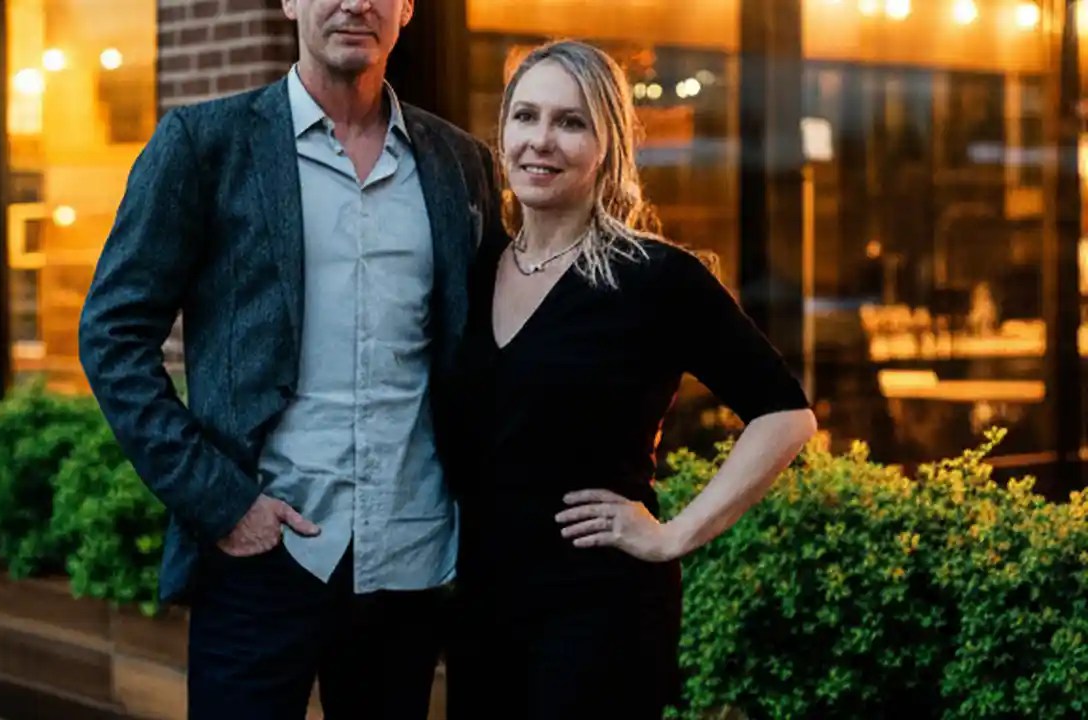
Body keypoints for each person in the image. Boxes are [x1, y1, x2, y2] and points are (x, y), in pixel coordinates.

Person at [78, 0, 502, 717]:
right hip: (262, 558)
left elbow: (488, 352)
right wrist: (222, 501)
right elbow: (112, 335)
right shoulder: (203, 144)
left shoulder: (459, 164)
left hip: (409, 555)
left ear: (407, 8)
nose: (354, 4)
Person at [443, 40, 818, 719]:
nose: (541, 141)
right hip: (482, 608)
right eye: (525, 116)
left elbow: (785, 415)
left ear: (608, 144)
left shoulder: (653, 278)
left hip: (601, 613)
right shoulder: (472, 270)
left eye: (571, 122)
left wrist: (673, 533)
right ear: (501, 132)